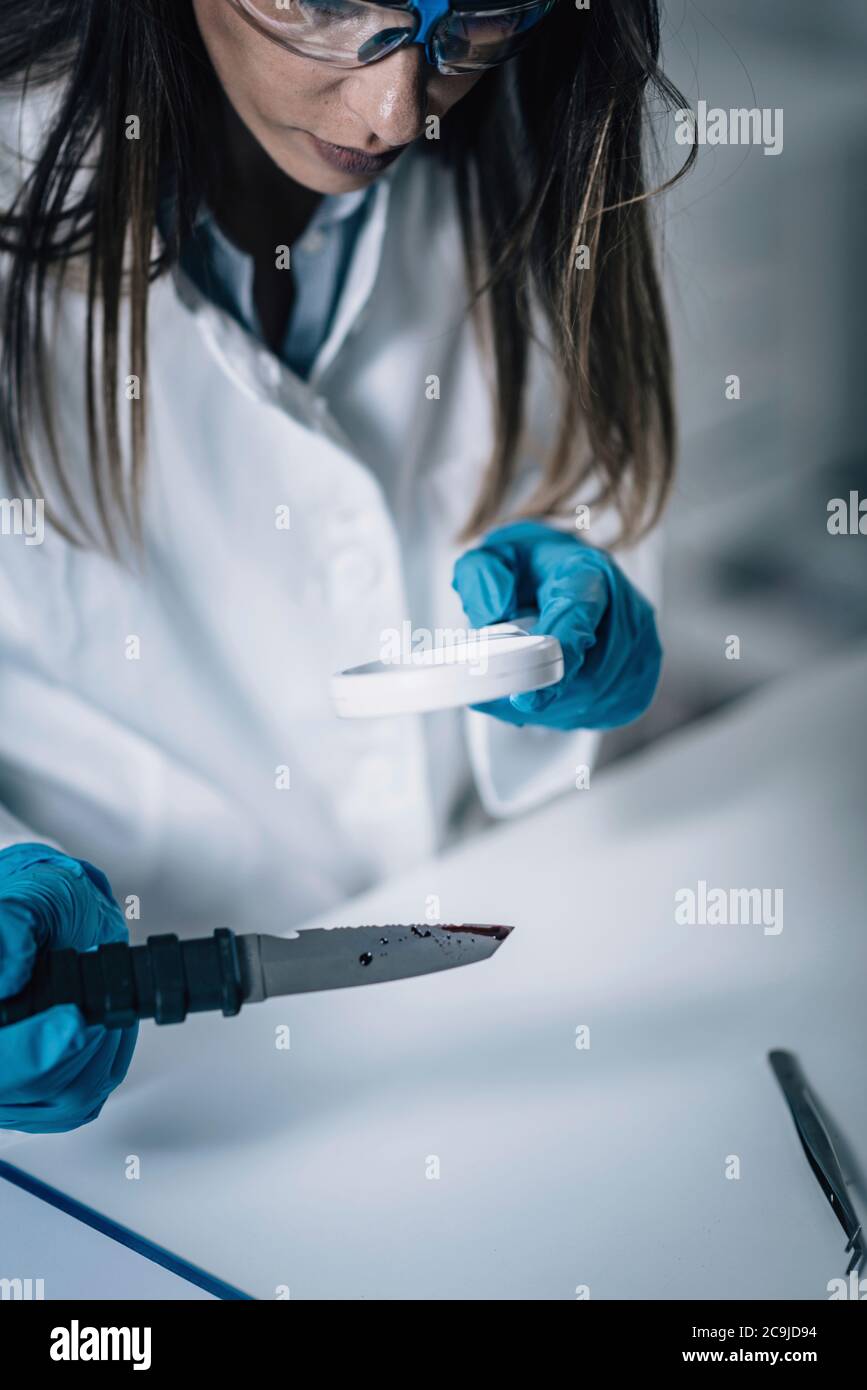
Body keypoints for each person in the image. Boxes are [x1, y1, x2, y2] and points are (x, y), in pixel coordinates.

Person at [0, 0, 693, 1132]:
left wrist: (570, 604)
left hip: (477, 989)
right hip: (153, 1096)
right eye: (328, 6)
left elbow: (584, 479)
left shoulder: (520, 127)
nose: (394, 111)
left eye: (470, 23)